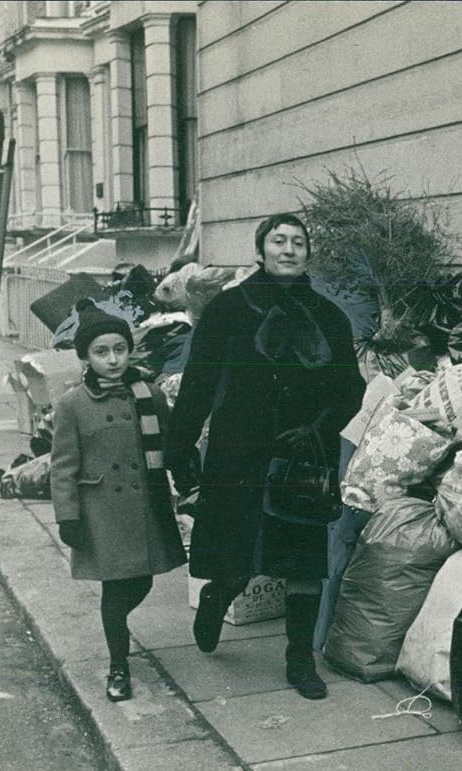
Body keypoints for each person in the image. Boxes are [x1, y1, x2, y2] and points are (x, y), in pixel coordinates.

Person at [165, 213, 364, 699]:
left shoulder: (329, 317)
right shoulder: (227, 310)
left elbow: (350, 390)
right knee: (237, 552)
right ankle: (217, 596)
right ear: (261, 251)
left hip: (304, 457)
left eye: (298, 242)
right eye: (279, 241)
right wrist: (180, 445)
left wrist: (316, 428)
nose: (289, 249)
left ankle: (299, 661)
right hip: (238, 450)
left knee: (302, 558)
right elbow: (198, 384)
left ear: (307, 254)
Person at [50, 300, 187, 702]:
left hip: (146, 507)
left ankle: (116, 628)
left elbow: (168, 444)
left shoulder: (150, 395)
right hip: (102, 513)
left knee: (141, 581)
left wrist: (186, 480)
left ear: (130, 350)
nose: (113, 359)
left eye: (119, 349)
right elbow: (62, 466)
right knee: (114, 592)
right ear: (86, 358)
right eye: (101, 352)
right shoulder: (71, 404)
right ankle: (118, 665)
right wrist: (67, 516)